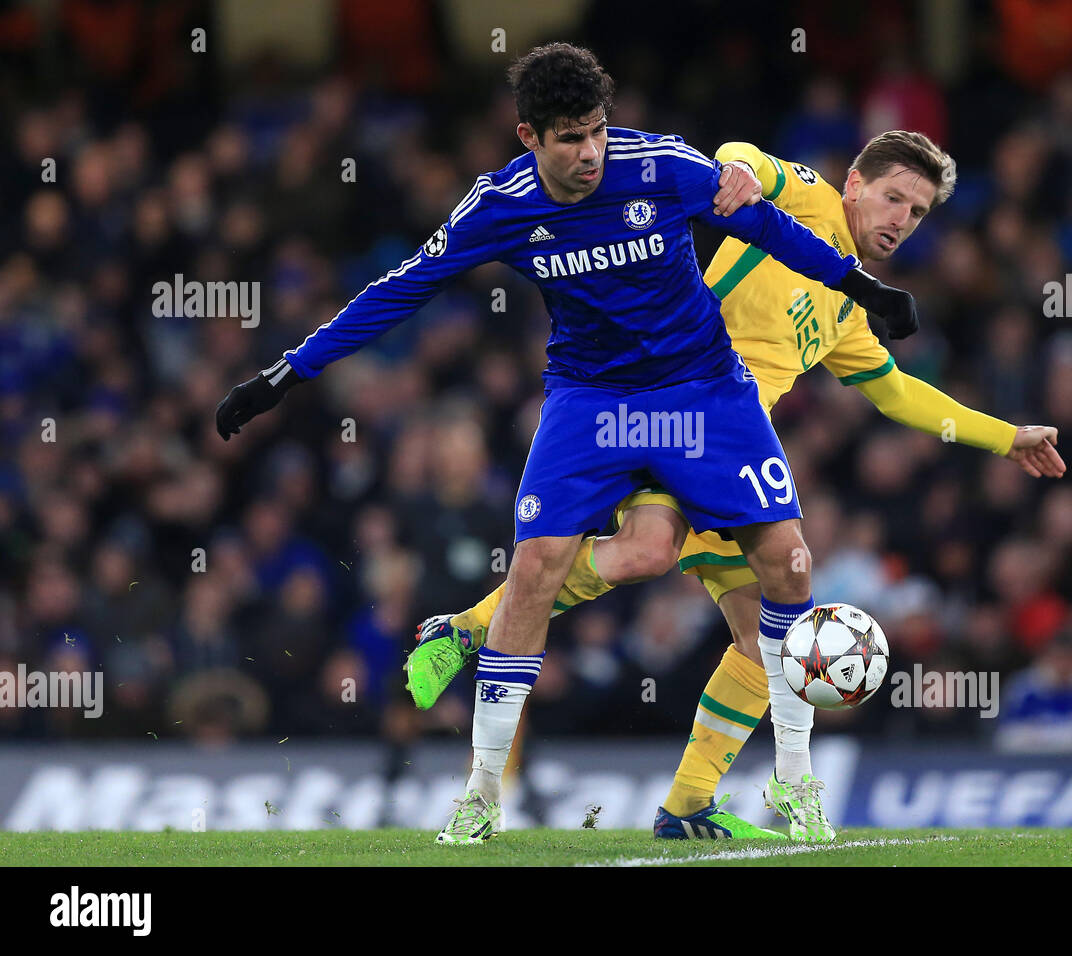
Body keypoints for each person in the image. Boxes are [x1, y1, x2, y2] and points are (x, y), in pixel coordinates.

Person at [215, 43, 922, 844]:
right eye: (569, 139)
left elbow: (766, 226)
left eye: (597, 132)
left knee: (788, 558)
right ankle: (482, 793)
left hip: (704, 389)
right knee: (537, 566)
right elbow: (396, 293)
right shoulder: (497, 208)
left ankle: (795, 783)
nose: (590, 153)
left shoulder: (660, 168)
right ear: (529, 137)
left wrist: (861, 288)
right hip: (591, 399)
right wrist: (285, 375)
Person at [407, 128, 1068, 840]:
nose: (901, 219)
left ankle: (687, 804)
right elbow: (744, 155)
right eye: (893, 198)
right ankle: (468, 630)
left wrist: (1007, 437)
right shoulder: (808, 204)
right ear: (853, 184)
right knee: (649, 552)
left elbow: (900, 395)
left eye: (917, 212)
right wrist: (736, 172)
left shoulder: (849, 309)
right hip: (670, 402)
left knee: (760, 633)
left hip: (727, 451)